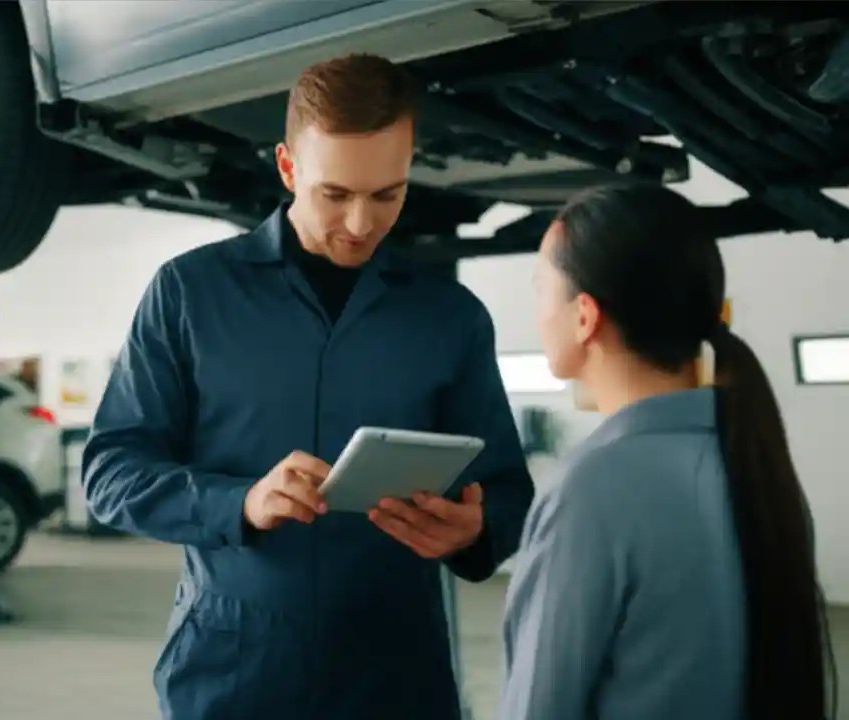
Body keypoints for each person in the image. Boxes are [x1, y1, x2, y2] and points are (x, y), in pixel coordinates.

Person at [83, 54, 535, 720]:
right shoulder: (190, 293)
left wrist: (474, 528)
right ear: (288, 167)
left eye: (388, 194)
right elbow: (111, 472)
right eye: (336, 194)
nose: (361, 223)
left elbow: (510, 494)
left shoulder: (448, 318)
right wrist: (239, 502)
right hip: (232, 669)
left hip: (397, 676)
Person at [498, 183, 834, 720]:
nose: (537, 313)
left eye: (541, 288)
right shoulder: (755, 464)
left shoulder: (592, 488)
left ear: (585, 316)